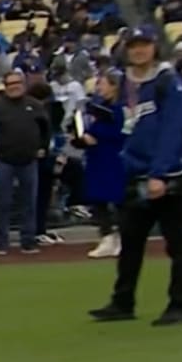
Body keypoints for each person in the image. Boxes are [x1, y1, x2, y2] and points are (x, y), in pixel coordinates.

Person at [90, 27, 182, 326]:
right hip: (133, 173)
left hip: (167, 173)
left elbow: (172, 130)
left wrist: (159, 173)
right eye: (133, 46)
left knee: (177, 243)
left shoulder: (167, 81)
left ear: (154, 47)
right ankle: (123, 301)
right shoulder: (124, 82)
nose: (138, 51)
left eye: (144, 45)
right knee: (131, 241)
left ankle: (179, 305)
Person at [0, 70, 50, 255]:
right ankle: (2, 243)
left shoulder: (34, 105)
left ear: (23, 84)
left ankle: (28, 241)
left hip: (29, 160)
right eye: (10, 84)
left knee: (29, 203)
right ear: (5, 86)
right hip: (5, 161)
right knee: (3, 203)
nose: (14, 87)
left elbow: (46, 128)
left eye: (17, 83)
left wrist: (43, 147)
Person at [75, 71, 127, 259]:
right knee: (99, 201)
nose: (99, 88)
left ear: (114, 86)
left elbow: (124, 132)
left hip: (113, 159)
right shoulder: (98, 109)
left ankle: (122, 239)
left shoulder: (121, 109)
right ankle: (107, 238)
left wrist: (99, 138)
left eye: (102, 84)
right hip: (96, 159)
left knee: (119, 200)